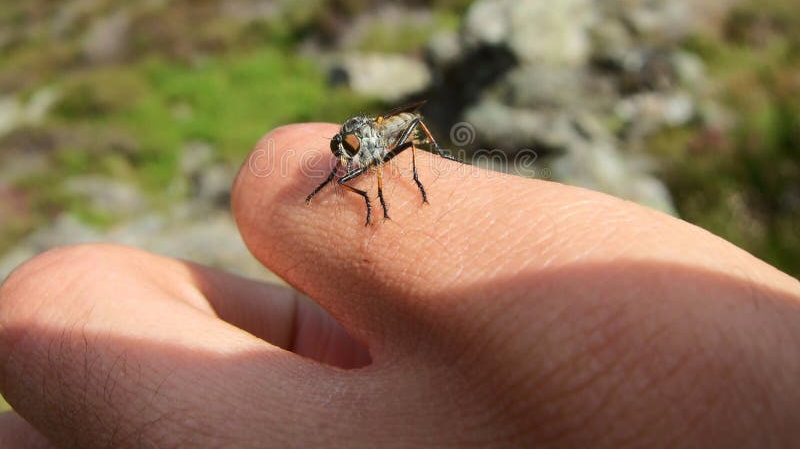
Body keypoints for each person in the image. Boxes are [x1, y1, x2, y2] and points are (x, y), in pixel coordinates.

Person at [0, 123, 798, 448]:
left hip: (375, 156)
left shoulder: (381, 145)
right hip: (351, 154)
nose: (364, 145)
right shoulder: (357, 145)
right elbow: (350, 150)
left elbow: (378, 146)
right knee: (347, 179)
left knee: (373, 178)